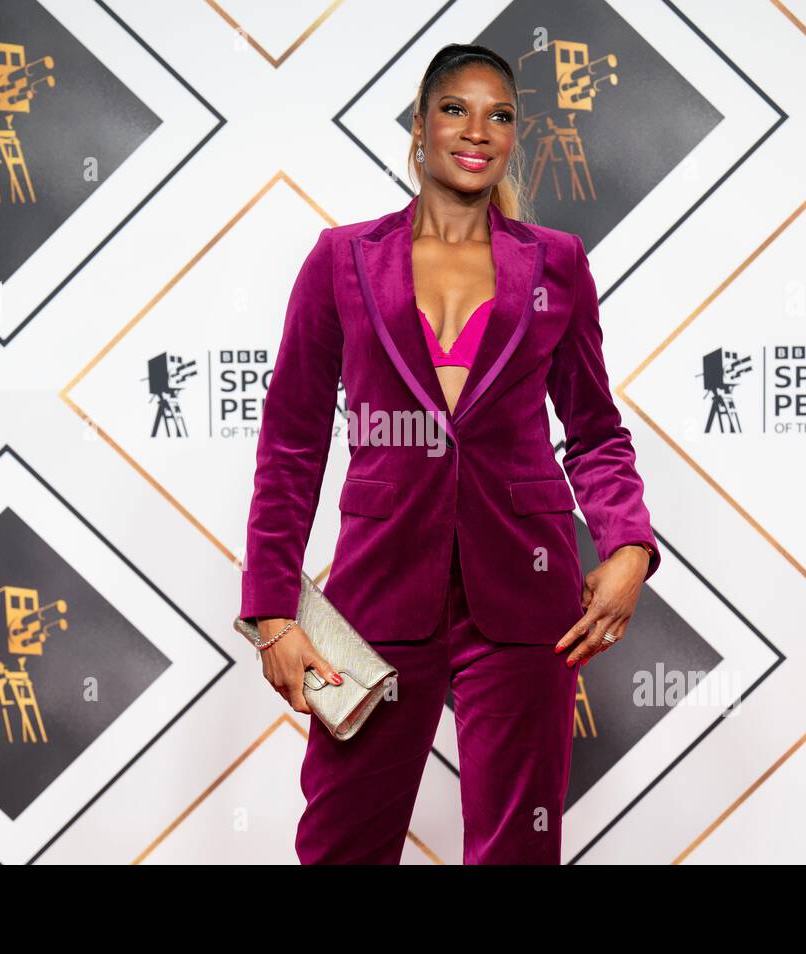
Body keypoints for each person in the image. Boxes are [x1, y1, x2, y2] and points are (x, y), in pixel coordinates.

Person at [239, 43, 660, 864]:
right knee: (341, 844)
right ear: (419, 127)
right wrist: (271, 611)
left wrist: (630, 543)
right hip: (377, 595)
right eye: (456, 110)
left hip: (528, 599)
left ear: (516, 135)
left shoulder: (558, 263)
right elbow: (291, 438)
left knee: (516, 850)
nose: (478, 131)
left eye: (500, 114)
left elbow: (595, 428)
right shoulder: (342, 260)